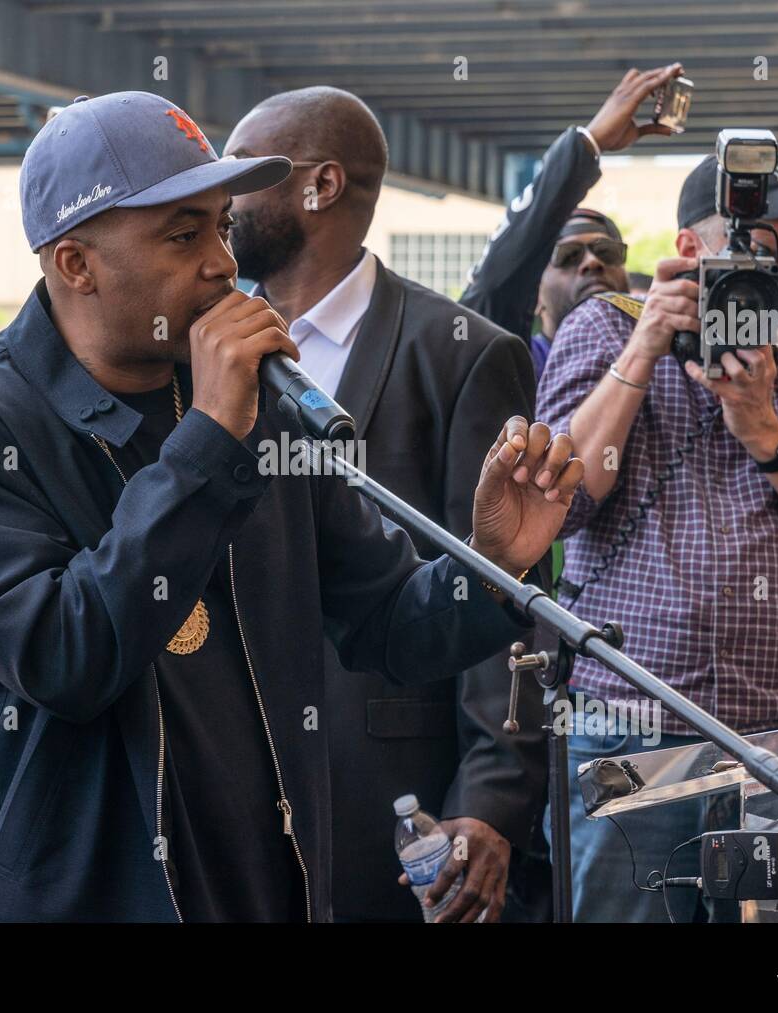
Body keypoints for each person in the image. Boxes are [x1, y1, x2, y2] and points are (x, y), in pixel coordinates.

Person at [0, 91, 582, 923]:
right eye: (183, 234)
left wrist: (492, 559)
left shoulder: (259, 403)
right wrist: (209, 439)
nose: (222, 262)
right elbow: (64, 655)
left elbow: (386, 620)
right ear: (75, 263)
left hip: (271, 885)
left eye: (221, 224)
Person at [535, 151, 778, 921]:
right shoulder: (605, 329)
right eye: (764, 258)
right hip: (630, 725)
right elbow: (558, 507)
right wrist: (644, 351)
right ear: (689, 253)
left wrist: (765, 427)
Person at [223, 85, 539, 922]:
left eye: (241, 172)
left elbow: (501, 579)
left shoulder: (461, 353)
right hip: (228, 776)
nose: (218, 197)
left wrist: (490, 794)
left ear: (318, 187)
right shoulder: (199, 346)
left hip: (390, 785)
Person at [460, 64, 683, 376]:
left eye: (607, 251)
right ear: (535, 297)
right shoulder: (514, 364)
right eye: (568, 256)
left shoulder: (668, 370)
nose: (592, 263)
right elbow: (490, 289)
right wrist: (588, 144)